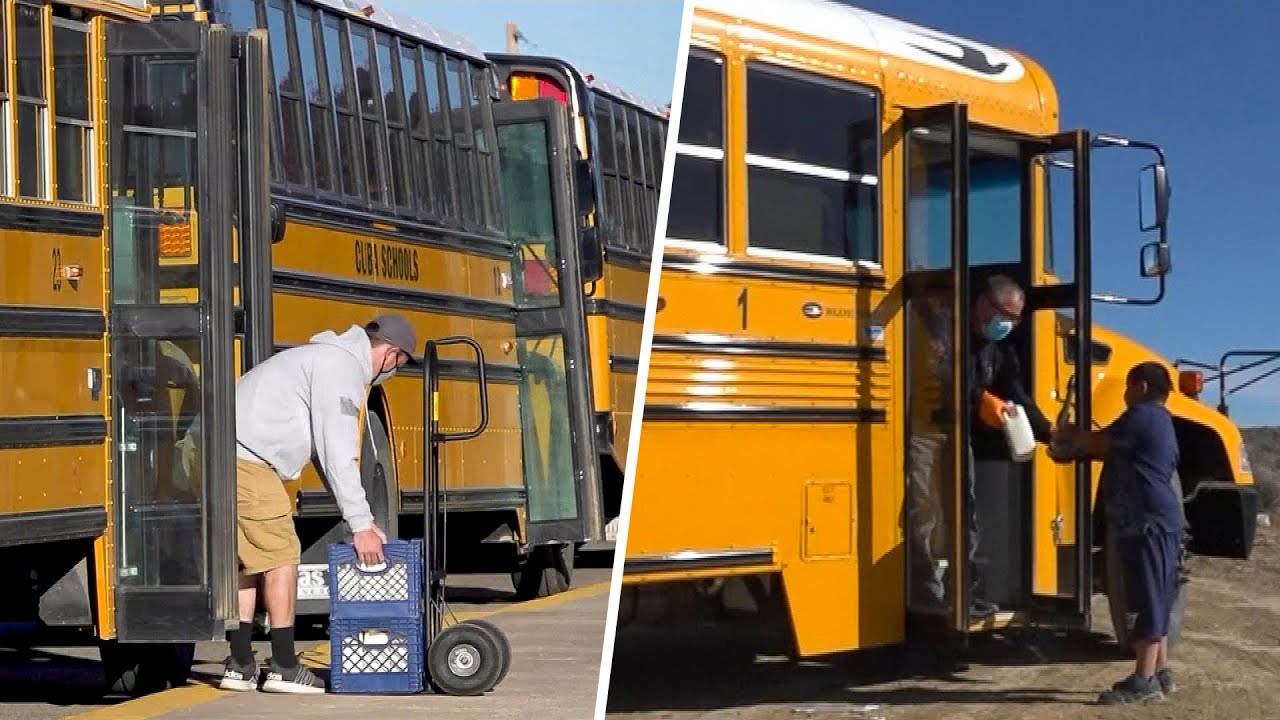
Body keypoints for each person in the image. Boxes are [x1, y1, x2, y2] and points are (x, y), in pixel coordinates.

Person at [219, 314, 417, 694]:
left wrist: (360, 517)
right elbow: (340, 453)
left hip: (221, 448)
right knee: (281, 556)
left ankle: (241, 663)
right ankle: (283, 666)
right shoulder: (340, 369)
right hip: (245, 457)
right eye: (401, 365)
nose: (395, 372)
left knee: (251, 558)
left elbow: (326, 458)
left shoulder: (322, 358)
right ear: (391, 353)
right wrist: (360, 526)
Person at [906, 274, 1053, 621]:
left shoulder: (997, 349)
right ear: (983, 304)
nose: (1010, 324)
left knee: (964, 512)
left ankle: (963, 592)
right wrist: (978, 398)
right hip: (926, 430)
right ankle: (925, 585)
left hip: (958, 436)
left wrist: (1051, 431)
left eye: (1016, 319)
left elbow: (1016, 394)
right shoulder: (942, 326)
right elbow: (939, 373)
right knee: (924, 510)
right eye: (1006, 315)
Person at [1053, 361, 1182, 705]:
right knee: (1160, 594)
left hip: (1146, 521)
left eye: (1127, 387)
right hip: (1158, 519)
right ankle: (1161, 669)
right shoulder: (1161, 420)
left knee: (1148, 597)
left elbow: (1100, 441)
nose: (1124, 394)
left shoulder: (1141, 415)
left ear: (1140, 387)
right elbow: (1117, 453)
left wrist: (1068, 434)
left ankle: (1143, 681)